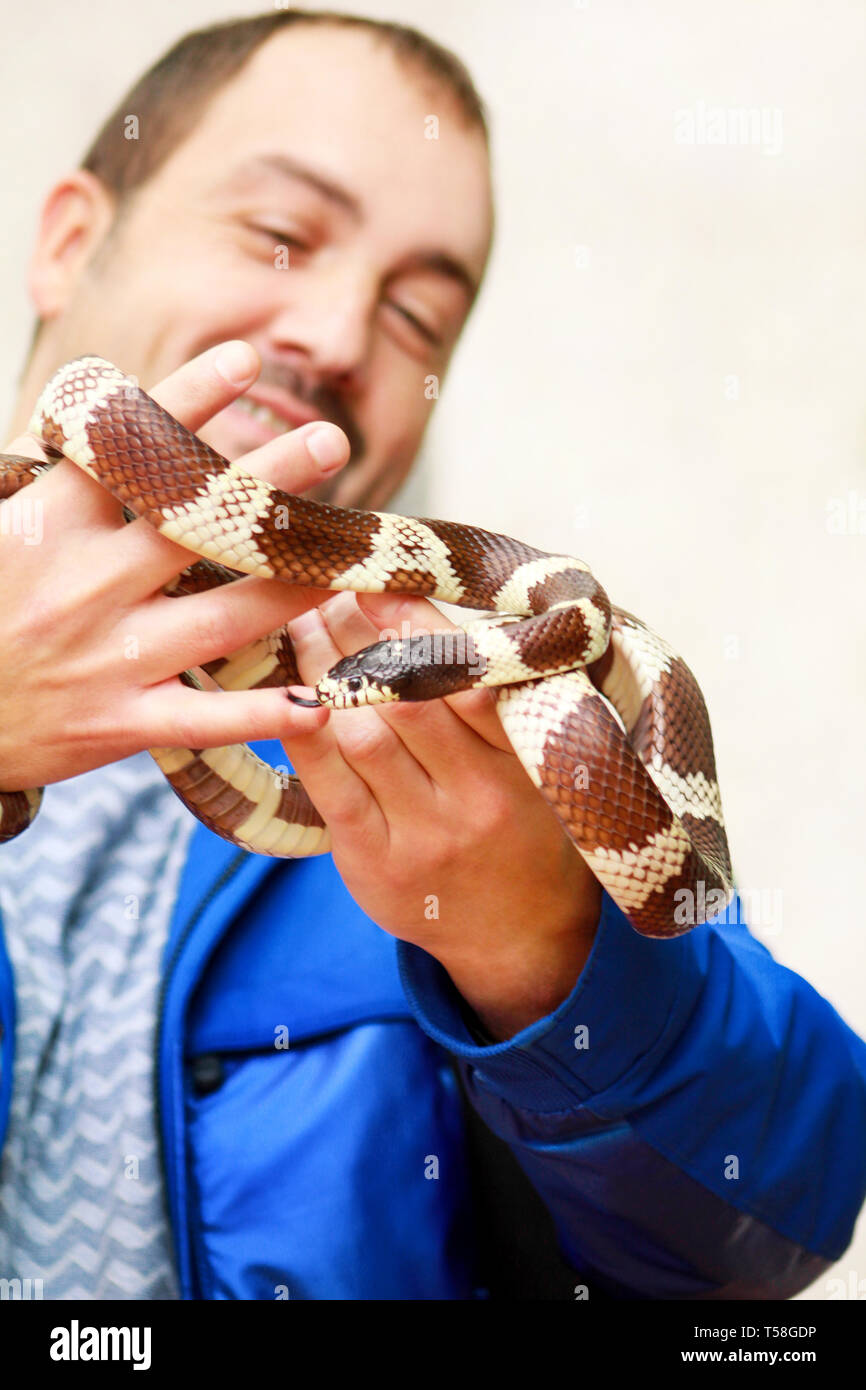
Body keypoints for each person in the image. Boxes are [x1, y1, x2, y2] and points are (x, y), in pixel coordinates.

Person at [0, 9, 862, 1302]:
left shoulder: (476, 769)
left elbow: (766, 1229)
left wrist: (539, 947)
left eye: (416, 315)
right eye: (280, 234)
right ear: (71, 239)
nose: (339, 334)